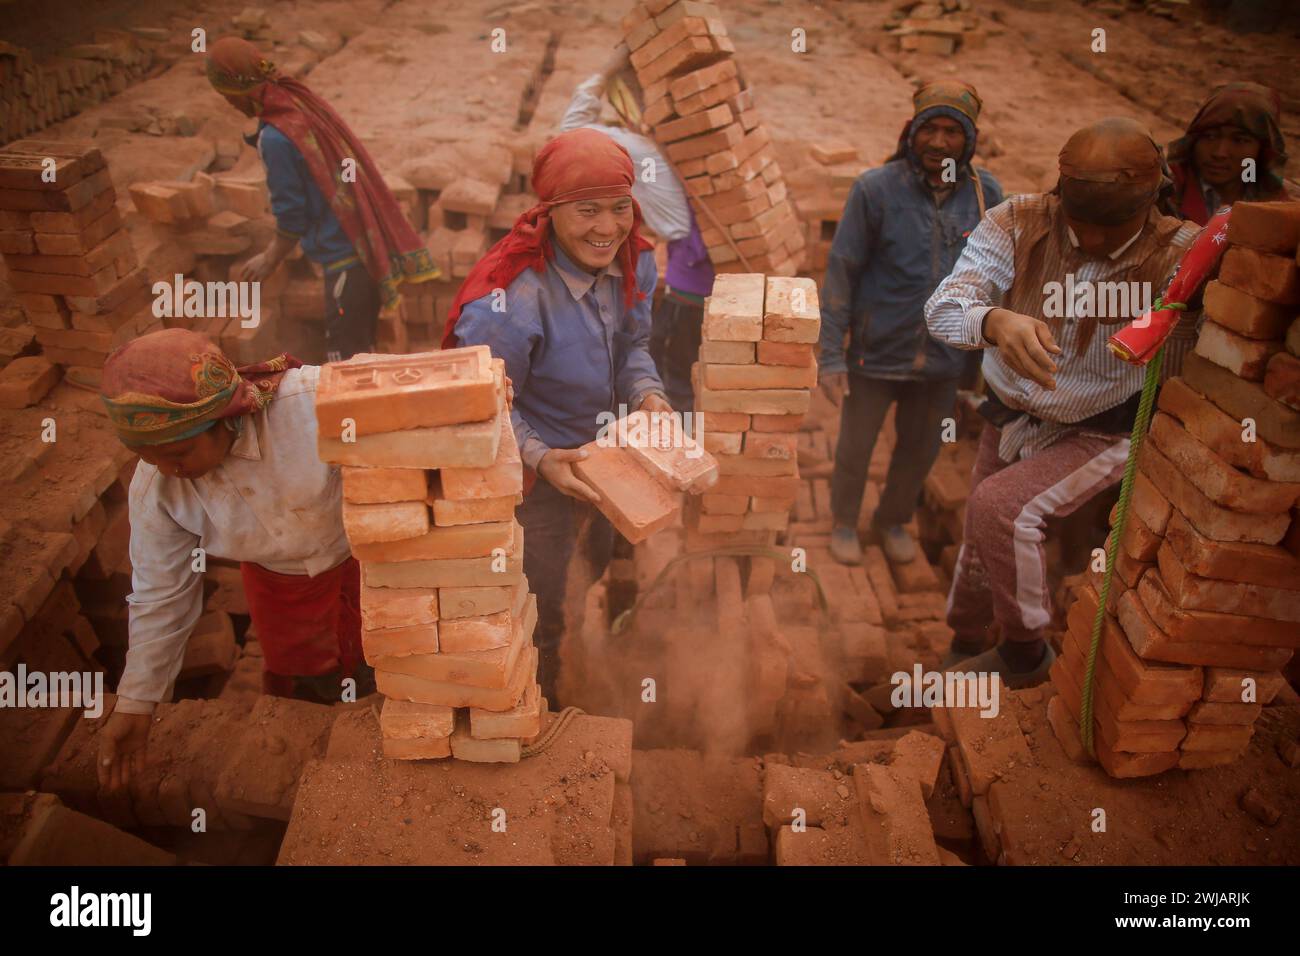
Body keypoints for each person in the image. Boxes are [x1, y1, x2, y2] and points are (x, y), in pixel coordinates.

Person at [924, 117, 1201, 688]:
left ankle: (1026, 655)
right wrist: (994, 321)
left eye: (1111, 229)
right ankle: (966, 637)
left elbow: (1202, 357)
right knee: (980, 530)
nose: (1092, 241)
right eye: (1080, 224)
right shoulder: (1017, 222)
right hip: (1011, 415)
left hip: (1103, 427)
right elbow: (944, 308)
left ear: (1150, 203)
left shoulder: (1181, 253)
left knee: (1002, 509)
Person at [443, 128, 672, 705]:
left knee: (593, 559)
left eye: (620, 208)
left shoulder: (635, 261)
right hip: (533, 478)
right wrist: (542, 458)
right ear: (549, 212)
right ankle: (540, 704)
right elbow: (478, 405)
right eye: (586, 210)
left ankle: (579, 624)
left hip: (605, 460)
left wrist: (648, 393)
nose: (607, 227)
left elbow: (633, 344)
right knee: (537, 597)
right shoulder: (508, 303)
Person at [95, 328, 366, 791]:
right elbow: (161, 596)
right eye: (148, 458)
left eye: (179, 453)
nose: (169, 469)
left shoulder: (312, 403)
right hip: (279, 589)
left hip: (364, 563)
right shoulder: (157, 489)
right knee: (305, 683)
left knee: (385, 660)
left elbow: (412, 402)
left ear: (223, 417)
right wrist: (136, 702)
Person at [818, 80, 1002, 566]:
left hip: (943, 359)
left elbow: (996, 279)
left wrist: (983, 369)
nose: (939, 142)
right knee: (855, 446)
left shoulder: (986, 196)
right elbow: (841, 273)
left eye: (952, 131)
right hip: (875, 353)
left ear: (969, 139)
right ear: (911, 131)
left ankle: (892, 521)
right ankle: (843, 521)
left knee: (921, 450)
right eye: (929, 129)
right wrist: (831, 356)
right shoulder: (875, 190)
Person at [205, 36, 438, 361]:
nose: (230, 104)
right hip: (364, 247)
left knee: (345, 366)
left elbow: (292, 215)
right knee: (363, 356)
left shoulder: (275, 138)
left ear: (238, 89)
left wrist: (269, 259)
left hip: (346, 262)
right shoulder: (299, 104)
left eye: (227, 96)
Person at [560, 44, 715, 411]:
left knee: (670, 384)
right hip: (711, 282)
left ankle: (667, 444)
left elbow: (570, 133)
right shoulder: (687, 144)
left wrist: (602, 75)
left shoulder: (640, 149)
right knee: (685, 379)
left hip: (689, 291)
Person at [1163, 81, 1298, 224]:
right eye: (1210, 136)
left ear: (1263, 149)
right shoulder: (1164, 194)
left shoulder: (1282, 204)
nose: (1220, 153)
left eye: (1239, 140)